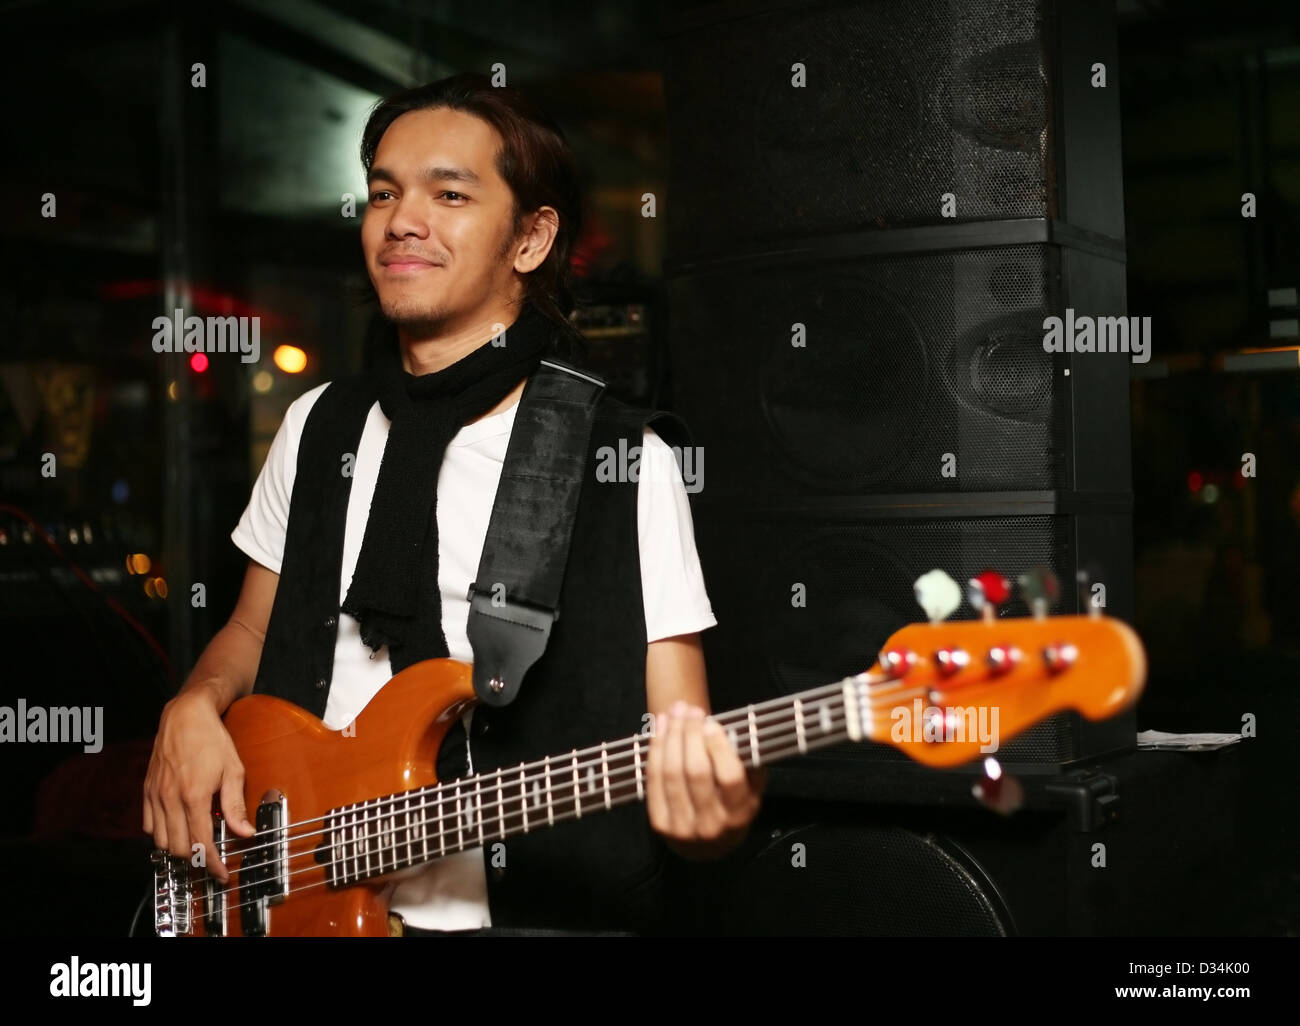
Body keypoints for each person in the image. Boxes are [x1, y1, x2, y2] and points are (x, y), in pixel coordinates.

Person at [141, 72, 765, 935]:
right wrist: (194, 704)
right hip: (288, 899)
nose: (402, 219)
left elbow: (682, 741)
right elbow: (250, 631)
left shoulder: (622, 459)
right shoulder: (318, 426)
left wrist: (715, 815)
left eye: (450, 193)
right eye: (384, 192)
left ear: (532, 238)